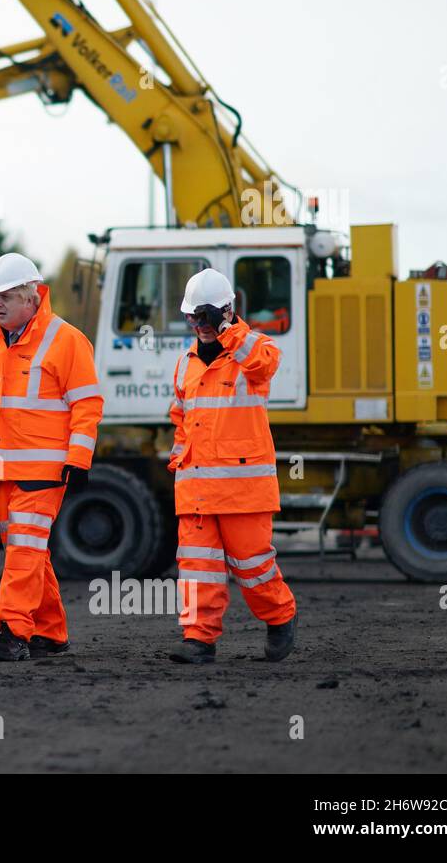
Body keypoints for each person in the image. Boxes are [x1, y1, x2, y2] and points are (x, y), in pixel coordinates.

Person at [0, 253, 103, 662]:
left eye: (6, 296)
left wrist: (79, 457)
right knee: (25, 550)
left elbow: (87, 404)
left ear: (32, 296)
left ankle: (13, 630)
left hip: (44, 469)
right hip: (2, 469)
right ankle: (52, 632)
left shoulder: (66, 340)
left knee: (23, 547)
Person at [167, 267, 297, 664]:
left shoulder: (254, 349)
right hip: (197, 490)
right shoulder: (185, 363)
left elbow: (262, 364)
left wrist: (228, 329)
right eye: (194, 317)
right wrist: (179, 458)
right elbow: (181, 417)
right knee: (197, 568)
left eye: (207, 316)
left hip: (243, 491)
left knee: (253, 566)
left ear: (227, 311)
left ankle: (280, 616)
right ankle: (198, 639)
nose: (200, 325)